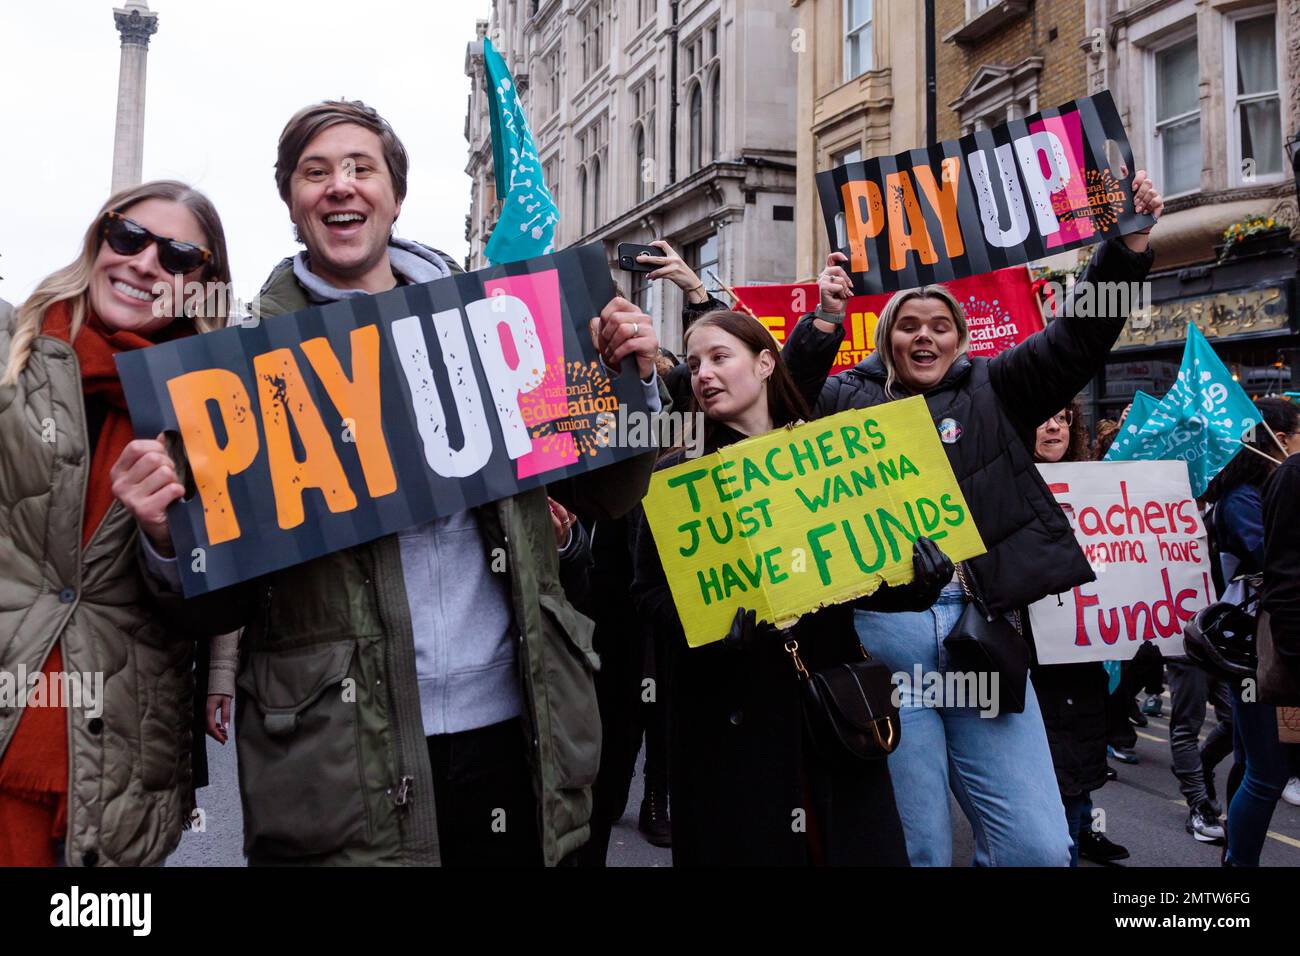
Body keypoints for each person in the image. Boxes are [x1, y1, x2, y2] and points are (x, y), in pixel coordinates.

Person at [121, 100, 664, 867]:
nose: (340, 186)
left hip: (521, 734)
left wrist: (631, 382)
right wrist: (163, 536)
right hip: (342, 764)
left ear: (395, 195)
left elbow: (608, 495)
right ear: (291, 202)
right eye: (316, 172)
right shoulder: (239, 363)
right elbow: (220, 598)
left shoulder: (503, 318)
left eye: (360, 168)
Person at [783, 171, 1163, 866]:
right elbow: (778, 411)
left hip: (977, 638)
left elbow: (1076, 342)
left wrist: (1125, 251)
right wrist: (824, 323)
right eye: (908, 325)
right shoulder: (843, 396)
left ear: (960, 340)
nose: (924, 337)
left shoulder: (997, 387)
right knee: (918, 850)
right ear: (886, 339)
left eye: (940, 326)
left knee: (1040, 848)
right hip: (883, 641)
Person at [631, 309, 947, 865]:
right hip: (730, 717)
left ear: (765, 362)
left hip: (830, 705)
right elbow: (648, 594)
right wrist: (708, 629)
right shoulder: (675, 480)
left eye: (720, 357)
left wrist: (918, 581)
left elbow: (860, 580)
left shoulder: (832, 457)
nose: (703, 373)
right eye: (696, 362)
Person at [0, 181, 232, 866]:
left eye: (177, 256)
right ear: (99, 241)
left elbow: (223, 602)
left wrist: (166, 537)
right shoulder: (13, 357)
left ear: (199, 286)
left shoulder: (217, 413)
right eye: (127, 236)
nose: (143, 263)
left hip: (116, 770)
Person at [1027, 401, 1129, 865]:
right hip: (1032, 656)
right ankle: (1062, 844)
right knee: (1054, 762)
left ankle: (1084, 828)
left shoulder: (1097, 486)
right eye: (1042, 418)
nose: (1053, 426)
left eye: (1063, 417)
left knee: (1081, 753)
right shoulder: (1007, 486)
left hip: (1084, 649)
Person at [1218, 398, 1300, 865]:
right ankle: (1238, 860)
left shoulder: (1264, 487)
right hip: (1255, 647)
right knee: (1265, 772)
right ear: (1279, 438)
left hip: (1264, 642)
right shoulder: (1244, 497)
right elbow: (1273, 560)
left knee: (1253, 762)